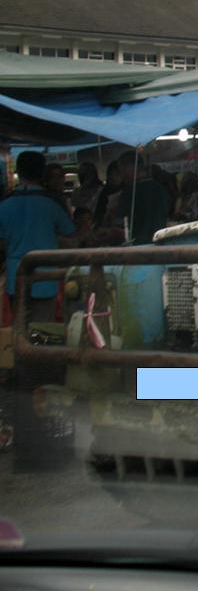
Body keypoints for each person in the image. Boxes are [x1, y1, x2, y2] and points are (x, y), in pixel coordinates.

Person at [0, 151, 77, 470]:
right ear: (42, 173)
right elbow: (70, 233)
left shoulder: (5, 204)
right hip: (45, 280)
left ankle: (21, 381)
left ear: (18, 172)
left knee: (19, 335)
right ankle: (39, 388)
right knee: (43, 337)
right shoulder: (50, 203)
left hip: (15, 280)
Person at [118, 150, 169, 245]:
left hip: (137, 245)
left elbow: (120, 223)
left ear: (130, 167)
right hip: (161, 243)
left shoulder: (129, 192)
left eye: (122, 170)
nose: (122, 175)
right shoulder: (160, 189)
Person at [94, 159, 123, 229]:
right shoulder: (104, 192)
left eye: (117, 174)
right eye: (111, 174)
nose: (113, 177)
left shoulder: (128, 191)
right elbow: (99, 214)